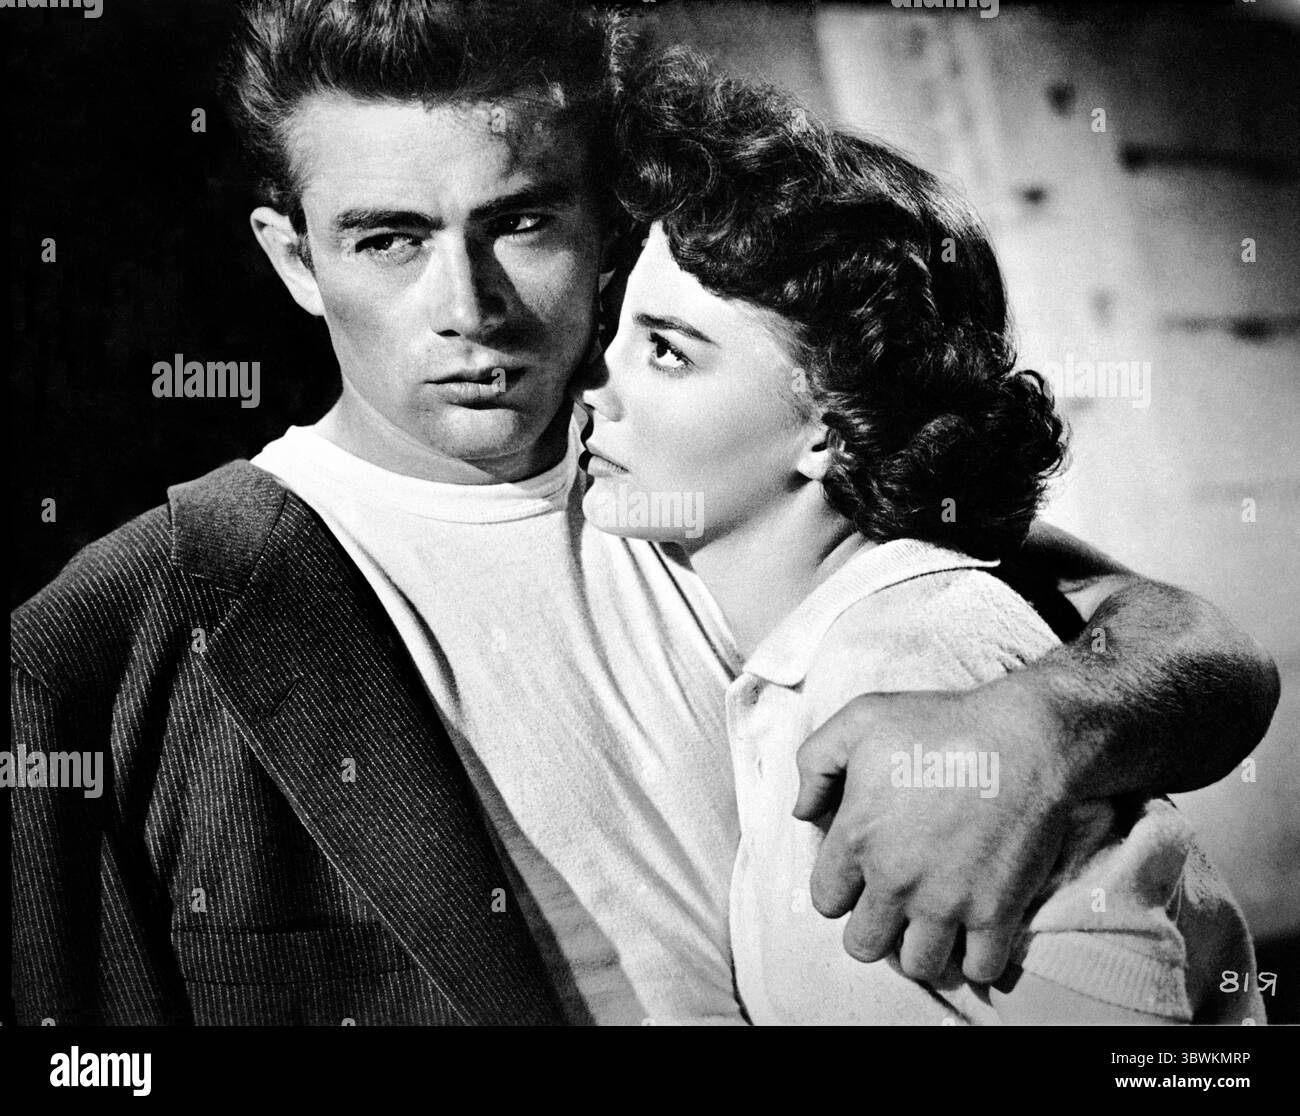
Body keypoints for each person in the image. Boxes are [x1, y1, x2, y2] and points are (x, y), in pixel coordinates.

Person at [9, 0, 1278, 1026]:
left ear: (600, 224)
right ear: (296, 260)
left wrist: (1041, 725)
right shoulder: (112, 640)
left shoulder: (703, 477)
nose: (468, 308)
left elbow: (1194, 646)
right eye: (388, 240)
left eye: (519, 223)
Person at [579, 52, 1266, 1024]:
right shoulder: (823, 643)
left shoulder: (914, 660)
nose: (594, 386)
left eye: (665, 350)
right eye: (616, 334)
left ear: (828, 425)